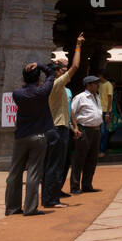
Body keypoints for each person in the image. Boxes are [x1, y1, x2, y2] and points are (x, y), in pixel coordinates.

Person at [5, 34, 82, 217]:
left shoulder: (17, 94)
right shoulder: (44, 90)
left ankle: (12, 207)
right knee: (34, 172)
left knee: (14, 173)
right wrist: (40, 65)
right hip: (40, 135)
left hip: (21, 136)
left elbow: (48, 73)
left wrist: (33, 69)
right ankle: (32, 207)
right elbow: (52, 72)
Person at [41, 44, 83, 208]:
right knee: (55, 165)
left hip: (55, 127)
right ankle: (50, 199)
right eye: (60, 70)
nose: (63, 71)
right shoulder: (57, 85)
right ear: (55, 73)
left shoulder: (47, 86)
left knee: (51, 164)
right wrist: (78, 46)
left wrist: (73, 127)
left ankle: (49, 196)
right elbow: (75, 66)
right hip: (58, 129)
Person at [70, 76, 104, 194]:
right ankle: (74, 186)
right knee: (79, 158)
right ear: (88, 85)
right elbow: (72, 113)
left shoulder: (97, 96)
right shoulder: (80, 97)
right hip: (84, 129)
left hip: (96, 130)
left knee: (92, 159)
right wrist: (74, 128)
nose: (97, 85)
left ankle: (87, 184)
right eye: (95, 83)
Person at [98, 73, 116, 157]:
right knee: (99, 131)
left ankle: (102, 150)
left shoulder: (108, 85)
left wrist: (108, 113)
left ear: (102, 76)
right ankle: (99, 149)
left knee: (104, 131)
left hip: (105, 111)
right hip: (99, 110)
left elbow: (110, 100)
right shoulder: (99, 84)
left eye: (99, 76)